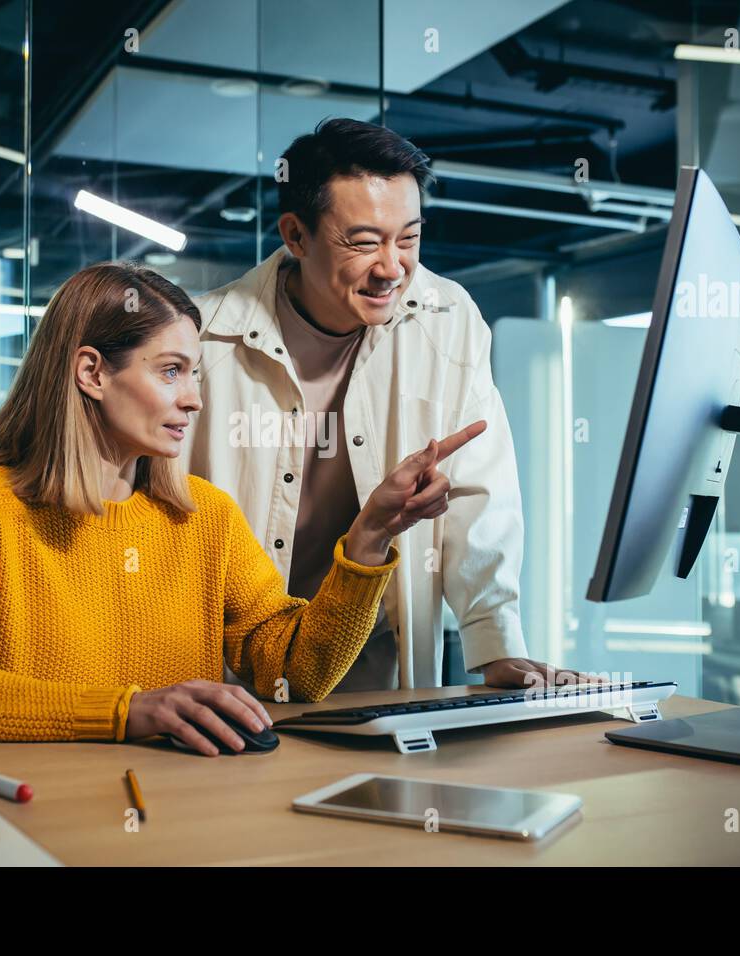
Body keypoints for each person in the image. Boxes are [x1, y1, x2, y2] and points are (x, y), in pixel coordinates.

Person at [0, 262, 483, 755]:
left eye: (194, 373)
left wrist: (369, 535)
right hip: (37, 806)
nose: (195, 400)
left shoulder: (205, 516)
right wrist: (127, 711)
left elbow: (294, 671)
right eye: (171, 371)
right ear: (92, 372)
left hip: (178, 805)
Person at [185, 117, 602, 691]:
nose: (392, 268)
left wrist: (496, 643)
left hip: (370, 668)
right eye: (363, 242)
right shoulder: (202, 338)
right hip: (227, 672)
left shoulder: (448, 319)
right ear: (296, 235)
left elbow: (481, 493)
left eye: (408, 238)